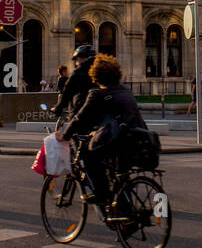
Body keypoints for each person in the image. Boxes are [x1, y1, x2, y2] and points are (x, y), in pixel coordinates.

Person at [55, 55, 145, 204]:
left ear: (96, 76)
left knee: (88, 156)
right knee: (119, 177)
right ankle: (125, 215)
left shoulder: (98, 93)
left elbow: (80, 118)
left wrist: (65, 135)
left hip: (119, 140)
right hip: (138, 139)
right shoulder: (125, 90)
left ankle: (101, 194)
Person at [53, 46, 96, 120]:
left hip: (80, 111)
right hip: (98, 113)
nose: (76, 63)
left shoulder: (78, 72)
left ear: (81, 58)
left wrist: (58, 108)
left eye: (77, 60)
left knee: (70, 130)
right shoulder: (100, 70)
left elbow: (68, 91)